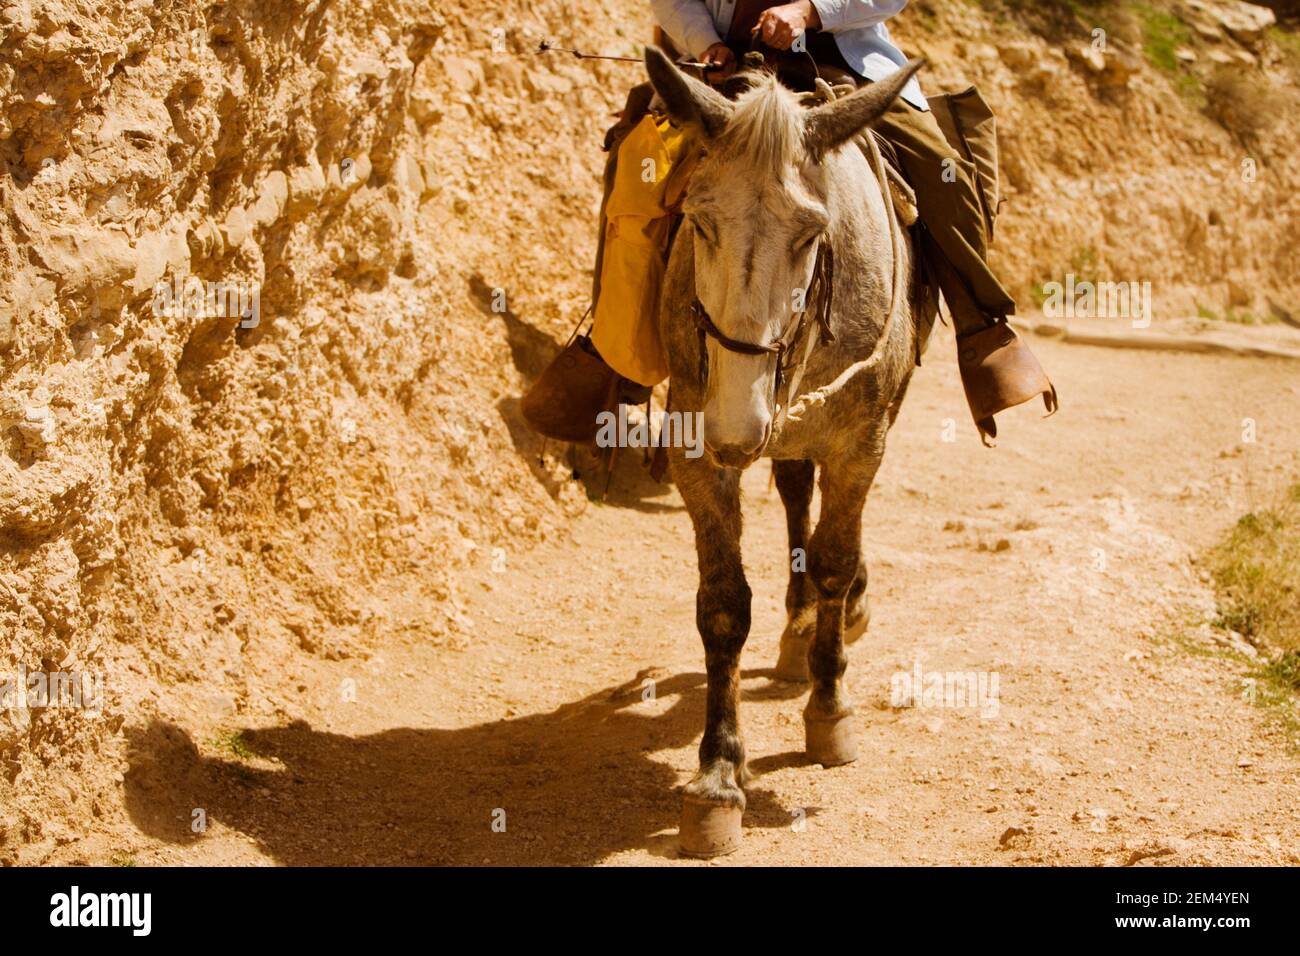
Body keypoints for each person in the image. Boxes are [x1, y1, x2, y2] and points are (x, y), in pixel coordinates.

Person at [523, 0, 1055, 449]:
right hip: (721, 71)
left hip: (839, 67)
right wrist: (705, 40)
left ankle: (981, 330)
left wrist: (810, 11)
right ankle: (620, 355)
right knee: (635, 169)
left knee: (944, 178)